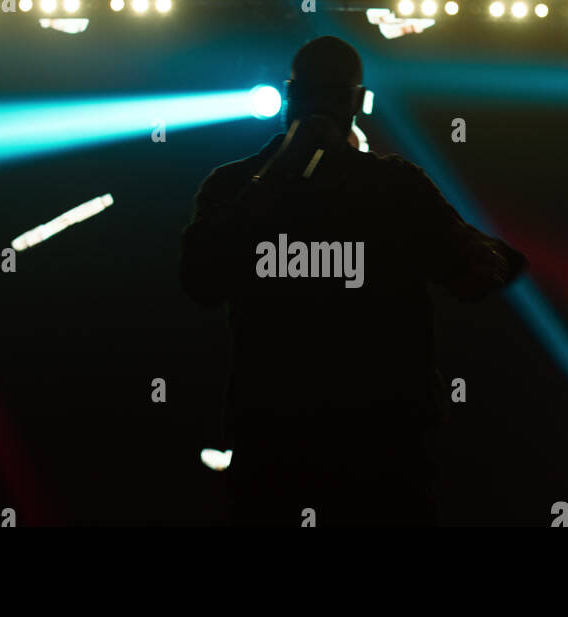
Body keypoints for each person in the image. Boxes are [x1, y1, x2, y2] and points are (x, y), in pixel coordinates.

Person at [179, 36, 526, 525]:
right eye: (316, 96)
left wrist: (481, 258)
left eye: (325, 95)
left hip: (309, 441)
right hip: (353, 445)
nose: (319, 107)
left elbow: (199, 283)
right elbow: (200, 281)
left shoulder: (239, 184)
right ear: (358, 101)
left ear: (288, 95)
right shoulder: (394, 187)